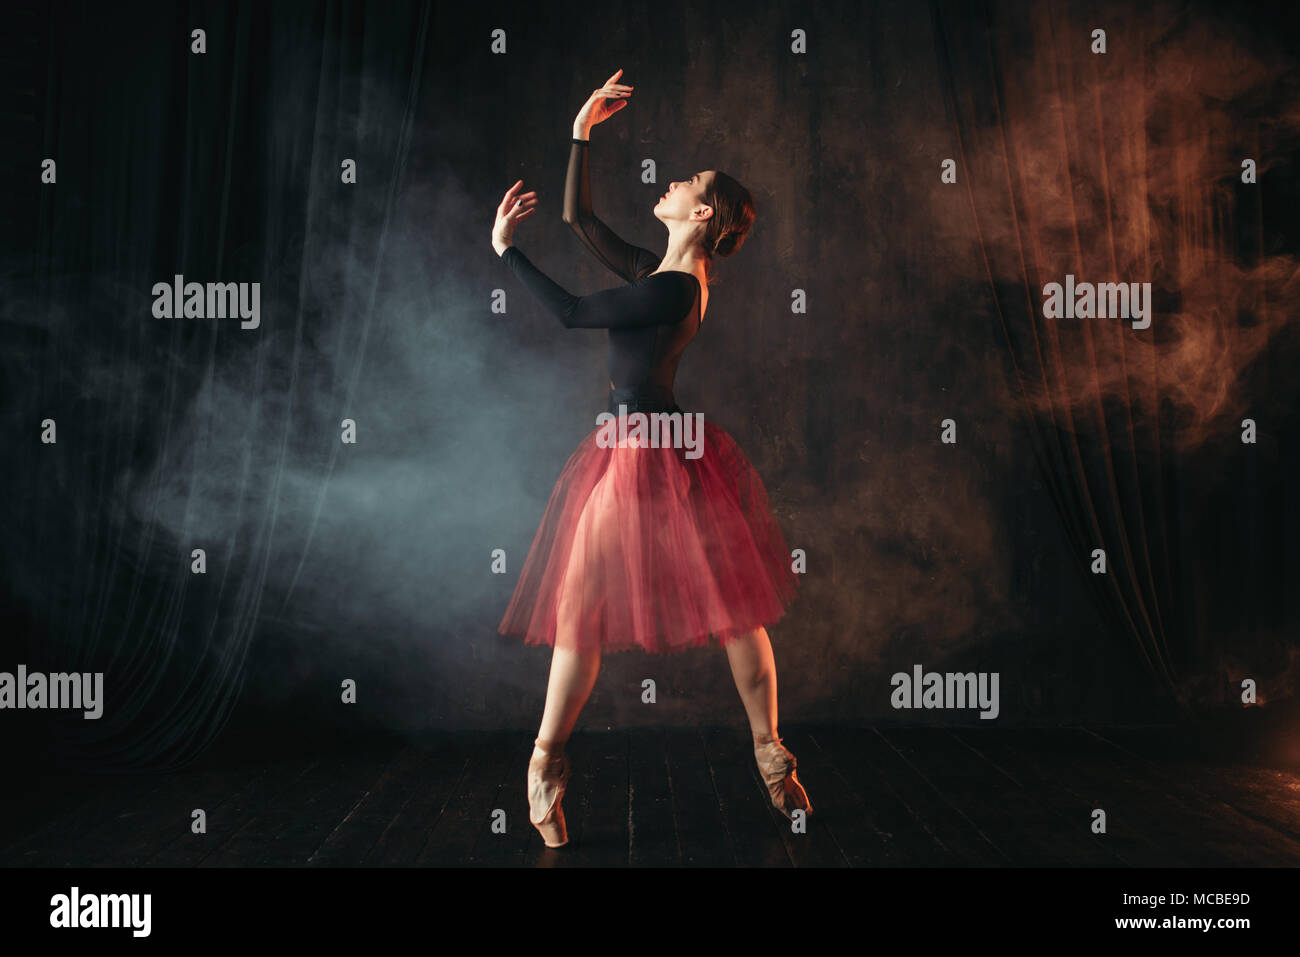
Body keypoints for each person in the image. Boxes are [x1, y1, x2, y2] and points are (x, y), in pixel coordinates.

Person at [491, 69, 810, 848]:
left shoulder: (673, 290)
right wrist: (579, 130)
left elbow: (569, 312)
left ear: (701, 212)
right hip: (656, 448)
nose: (668, 182)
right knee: (722, 609)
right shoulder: (662, 272)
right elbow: (578, 217)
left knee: (607, 613)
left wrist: (504, 253)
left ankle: (546, 766)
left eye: (685, 182)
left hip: (644, 453)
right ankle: (769, 759)